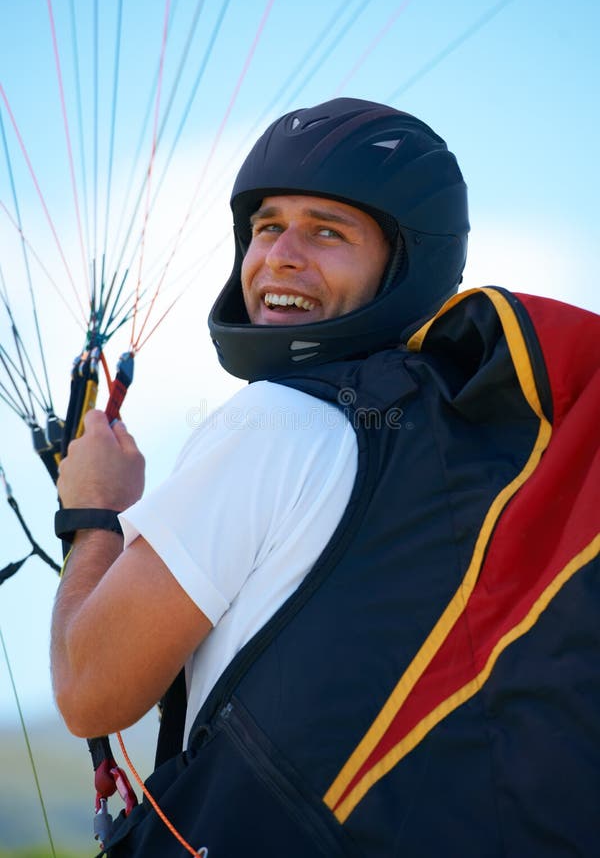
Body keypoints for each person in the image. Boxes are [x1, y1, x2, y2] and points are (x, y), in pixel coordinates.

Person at [51, 98, 600, 857]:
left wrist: (95, 513)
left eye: (328, 231)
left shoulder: (274, 421)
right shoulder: (437, 445)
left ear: (404, 264)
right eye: (267, 224)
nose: (279, 254)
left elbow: (90, 689)